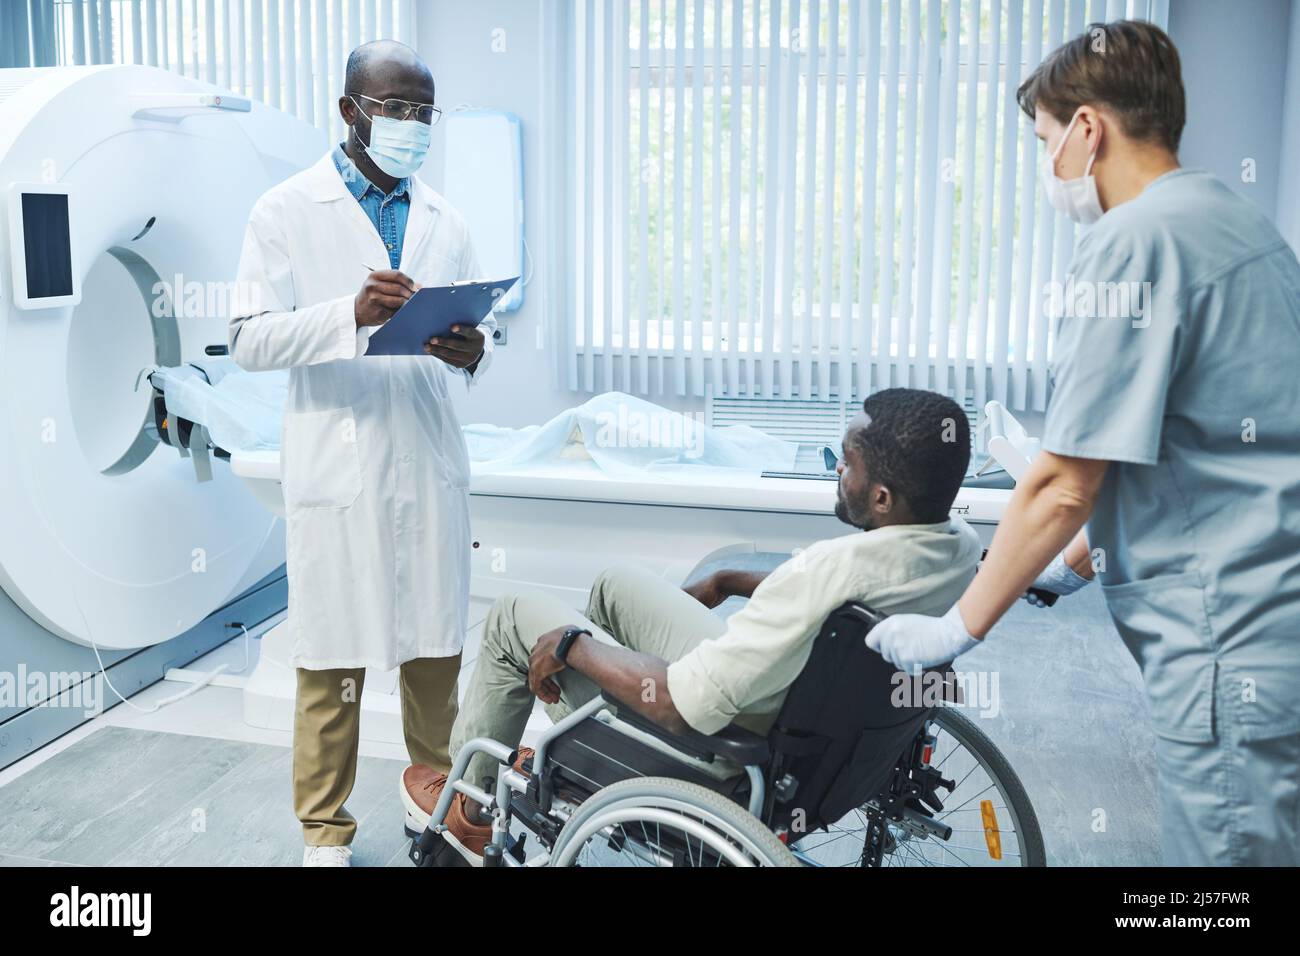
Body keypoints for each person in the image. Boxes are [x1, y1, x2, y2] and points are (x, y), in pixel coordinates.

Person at [866, 20, 1300, 866]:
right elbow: (1199, 446)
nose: (1049, 164)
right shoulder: (1245, 231)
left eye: (1044, 139)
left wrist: (955, 628)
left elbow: (1065, 479)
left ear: (1088, 128)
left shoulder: (1132, 243)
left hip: (1225, 651)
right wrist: (1078, 559)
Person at [401, 388, 984, 866]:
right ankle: (581, 727)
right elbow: (829, 591)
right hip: (804, 720)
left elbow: (686, 704)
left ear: (881, 497)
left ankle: (469, 813)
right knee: (616, 585)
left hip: (725, 746)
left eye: (846, 464)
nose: (837, 472)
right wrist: (729, 578)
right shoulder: (958, 547)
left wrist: (577, 647)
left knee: (512, 619)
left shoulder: (826, 571)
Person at [229, 40, 496, 866]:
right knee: (332, 661)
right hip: (336, 461)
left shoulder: (447, 219)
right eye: (396, 109)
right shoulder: (283, 210)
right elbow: (245, 339)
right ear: (351, 110)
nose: (413, 125)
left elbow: (481, 333)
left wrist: (473, 353)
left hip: (424, 454)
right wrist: (347, 313)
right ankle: (325, 832)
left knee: (434, 653)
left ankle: (433, 805)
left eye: (424, 111)